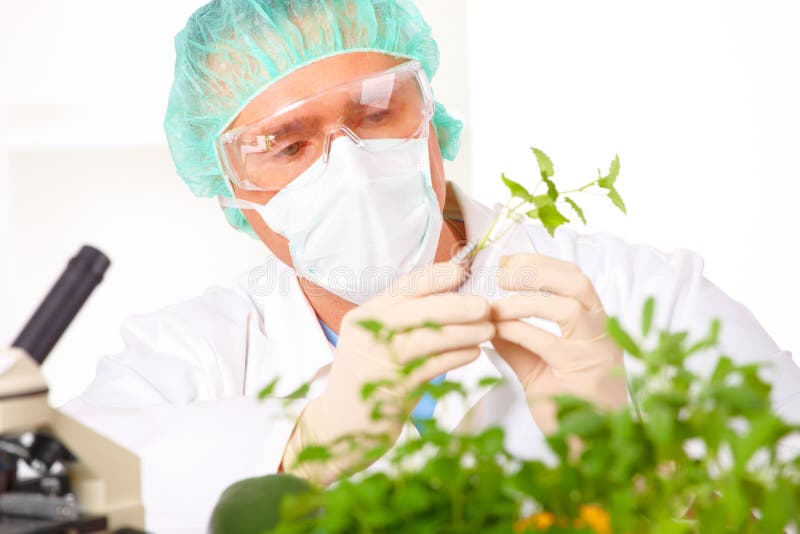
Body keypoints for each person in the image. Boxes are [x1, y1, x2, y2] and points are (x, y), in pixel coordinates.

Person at [62, 0, 800, 531]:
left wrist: (629, 466)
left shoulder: (641, 297)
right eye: (289, 145)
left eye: (377, 112)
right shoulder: (189, 354)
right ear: (232, 193)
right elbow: (60, 494)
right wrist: (303, 443)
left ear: (433, 124)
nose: (347, 166)